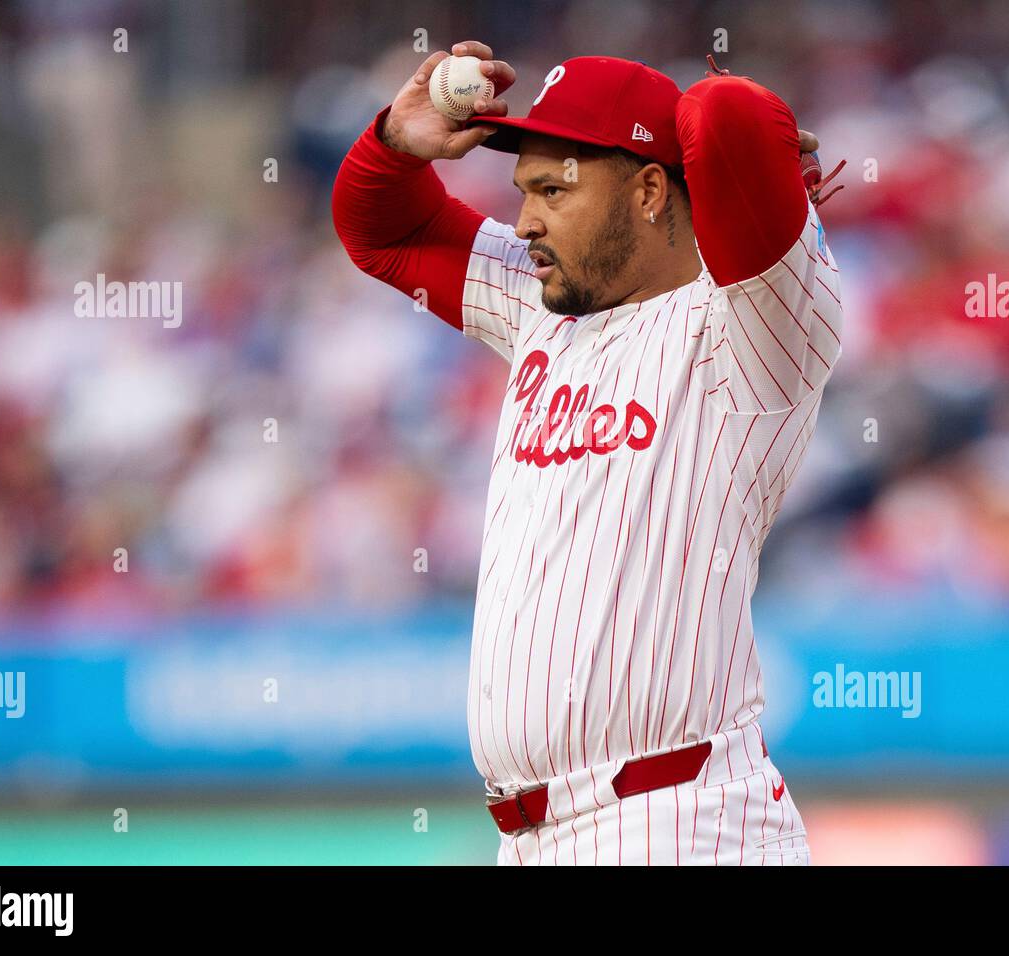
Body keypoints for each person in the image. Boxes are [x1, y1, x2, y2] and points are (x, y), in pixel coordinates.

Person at [332, 40, 844, 865]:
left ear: (648, 188)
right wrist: (395, 139)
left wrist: (714, 144)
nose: (525, 219)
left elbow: (729, 113)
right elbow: (384, 231)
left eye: (553, 189)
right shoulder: (546, 306)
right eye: (522, 191)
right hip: (537, 839)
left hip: (679, 821)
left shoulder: (751, 328)